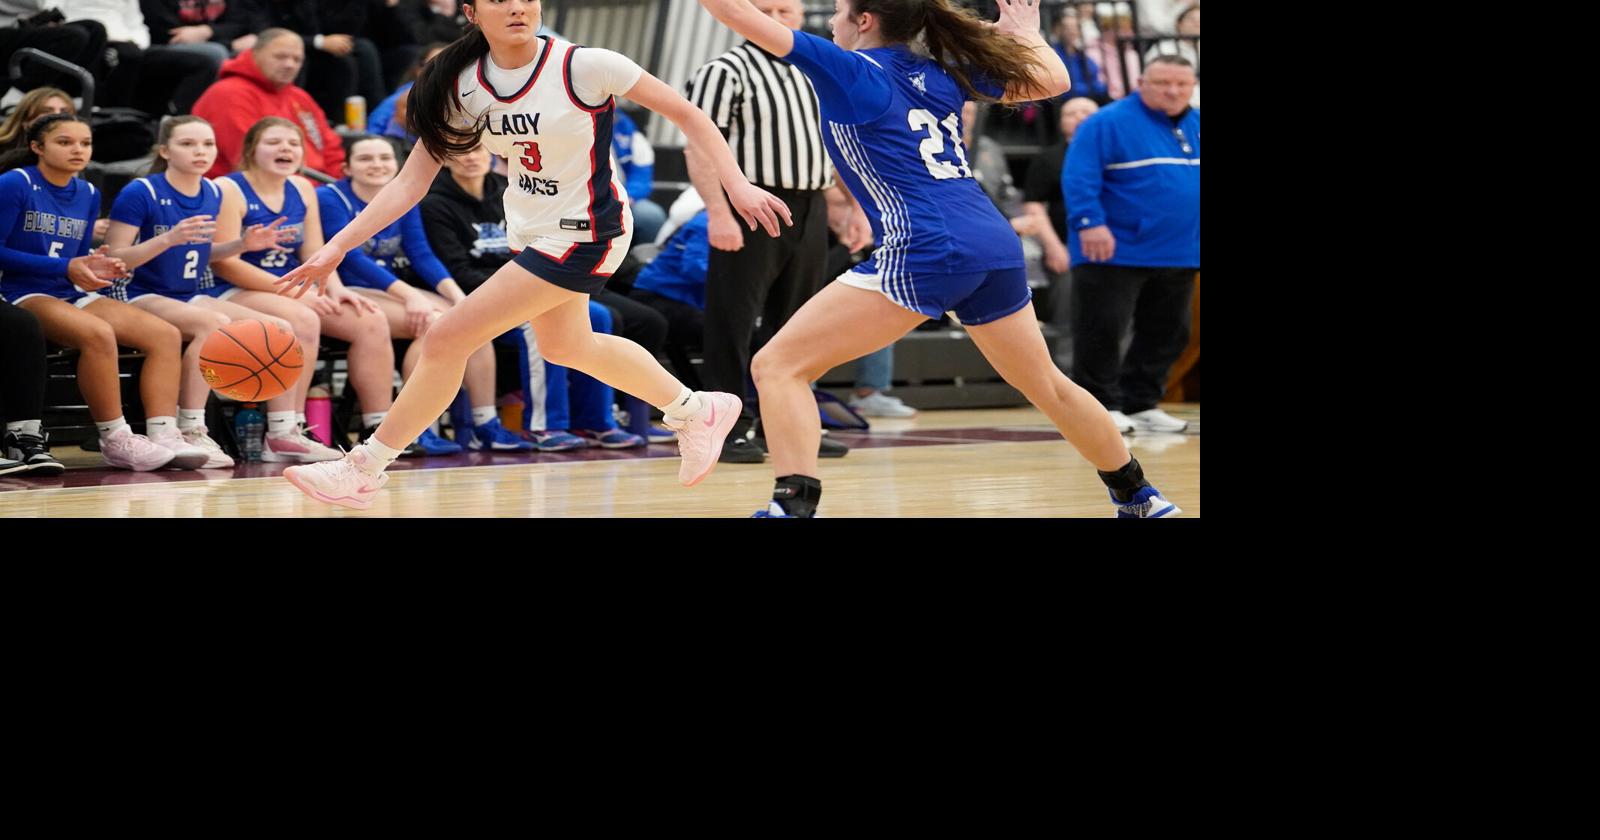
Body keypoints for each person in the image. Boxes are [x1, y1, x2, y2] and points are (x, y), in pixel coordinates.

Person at [273, 0, 790, 511]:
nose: (519, 7)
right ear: (472, 13)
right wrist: (337, 247)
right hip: (531, 228)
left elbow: (689, 115)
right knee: (569, 346)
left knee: (450, 335)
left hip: (588, 228)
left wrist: (737, 186)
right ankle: (695, 408)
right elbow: (410, 183)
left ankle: (363, 468)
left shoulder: (584, 65)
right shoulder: (465, 84)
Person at [698, 0, 1181, 518]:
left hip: (928, 245)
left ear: (865, 21)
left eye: (839, 10)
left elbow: (737, 15)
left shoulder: (850, 68)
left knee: (776, 365)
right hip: (990, 241)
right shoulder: (940, 72)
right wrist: (1027, 32)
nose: (831, 21)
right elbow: (1053, 79)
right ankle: (1140, 497)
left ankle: (792, 507)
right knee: (1048, 386)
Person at [0, 113, 210, 471]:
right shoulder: (15, 183)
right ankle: (115, 437)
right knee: (97, 334)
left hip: (67, 289)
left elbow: (77, 257)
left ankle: (165, 432)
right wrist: (65, 268)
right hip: (21, 291)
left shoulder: (89, 192)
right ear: (37, 147)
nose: (77, 150)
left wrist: (94, 268)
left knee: (164, 334)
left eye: (85, 143)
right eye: (64, 142)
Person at [103, 115, 298, 468]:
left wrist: (242, 243)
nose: (200, 152)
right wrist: (167, 238)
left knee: (277, 328)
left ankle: (283, 429)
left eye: (207, 144)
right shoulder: (141, 191)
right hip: (137, 292)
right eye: (188, 144)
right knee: (213, 323)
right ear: (165, 150)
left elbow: (200, 253)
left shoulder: (212, 191)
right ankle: (192, 428)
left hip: (185, 293)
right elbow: (114, 258)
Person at [318, 133, 529, 454]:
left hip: (396, 292)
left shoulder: (405, 196)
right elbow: (352, 258)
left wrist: (459, 297)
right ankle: (417, 429)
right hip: (351, 289)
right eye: (365, 158)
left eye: (384, 158)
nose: (377, 164)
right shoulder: (332, 198)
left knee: (473, 318)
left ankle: (484, 423)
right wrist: (410, 296)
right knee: (435, 324)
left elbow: (421, 254)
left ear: (397, 164)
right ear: (346, 166)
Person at [209, 116, 403, 459]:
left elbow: (316, 252)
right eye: (274, 142)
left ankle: (379, 431)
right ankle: (284, 431)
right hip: (232, 288)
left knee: (369, 319)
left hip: (292, 287)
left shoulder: (301, 188)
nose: (286, 148)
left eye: (293, 143)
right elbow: (225, 262)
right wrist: (295, 291)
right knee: (303, 318)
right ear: (253, 149)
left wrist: (336, 288)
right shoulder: (230, 188)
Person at [1062, 54, 1198, 435]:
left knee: (1171, 330)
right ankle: (1099, 406)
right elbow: (1079, 177)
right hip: (1112, 249)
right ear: (1142, 83)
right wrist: (1089, 223)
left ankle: (1141, 403)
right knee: (1102, 328)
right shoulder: (1106, 123)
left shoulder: (1197, 123)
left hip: (1180, 249)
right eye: (1162, 83)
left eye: (1181, 84)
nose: (1173, 91)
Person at [190, 28, 346, 179]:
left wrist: (339, 187)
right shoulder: (228, 94)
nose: (289, 65)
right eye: (280, 57)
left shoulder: (299, 97)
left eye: (297, 59)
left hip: (314, 189)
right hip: (253, 194)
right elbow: (251, 161)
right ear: (254, 54)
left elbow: (331, 148)